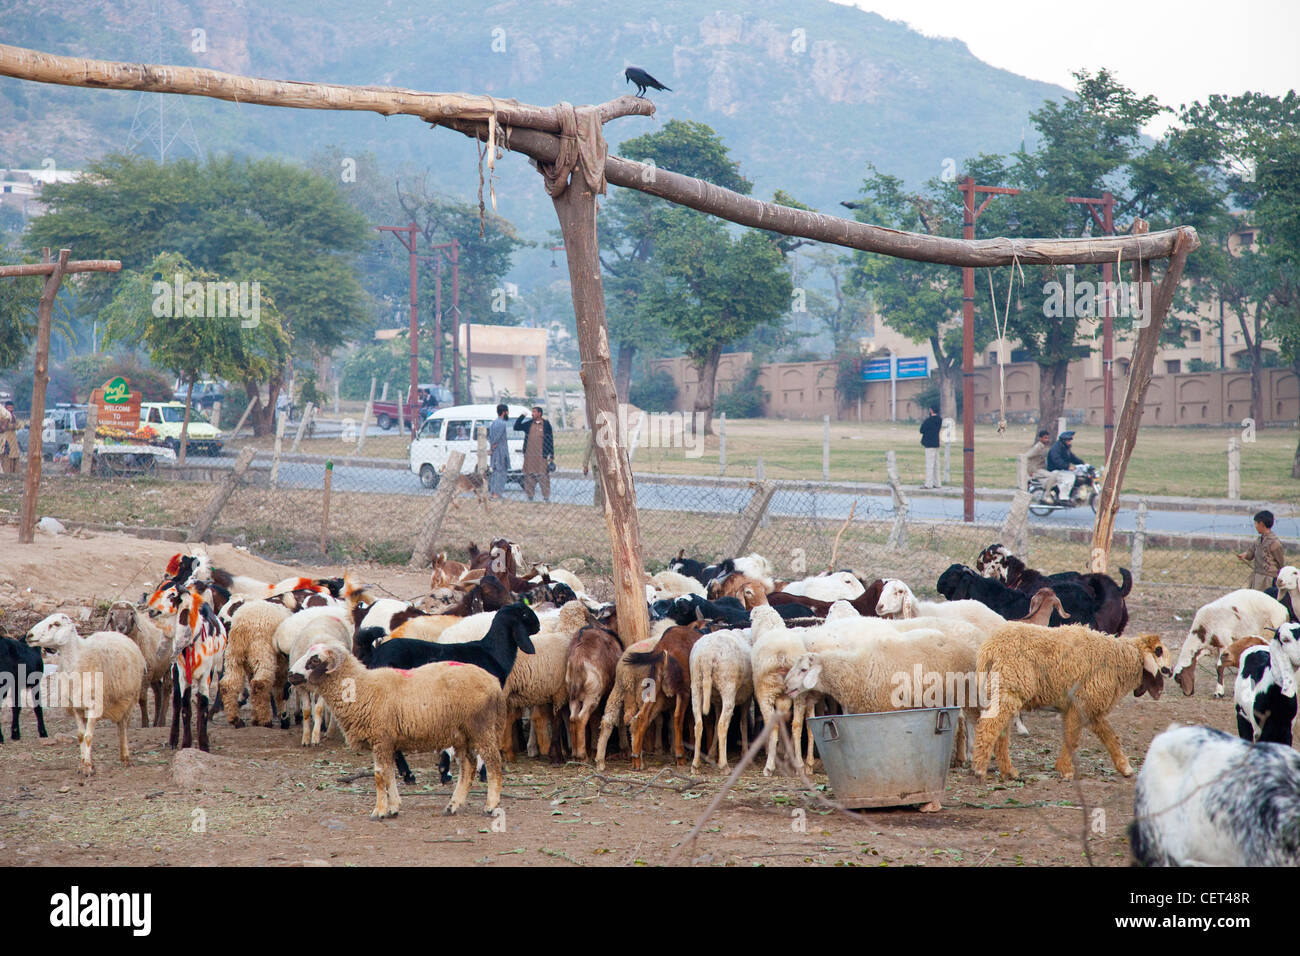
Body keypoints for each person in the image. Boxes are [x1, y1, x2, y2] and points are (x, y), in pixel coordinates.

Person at [1237, 509, 1286, 591]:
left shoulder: (1274, 543)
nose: (1255, 526)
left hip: (1268, 580)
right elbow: (1251, 552)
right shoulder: (1259, 540)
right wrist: (1245, 555)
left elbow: (1280, 562)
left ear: (1261, 524)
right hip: (1257, 577)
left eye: (1256, 524)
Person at [514, 406, 554, 502]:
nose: (532, 414)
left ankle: (546, 497)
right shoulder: (528, 424)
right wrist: (522, 416)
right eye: (532, 412)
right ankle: (530, 497)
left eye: (534, 412)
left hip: (541, 458)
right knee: (529, 477)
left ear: (539, 413)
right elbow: (516, 427)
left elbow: (550, 441)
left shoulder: (546, 424)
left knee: (543, 477)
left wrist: (551, 455)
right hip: (529, 457)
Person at [1045, 429, 1086, 503]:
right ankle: (1063, 498)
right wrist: (1067, 467)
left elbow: (1072, 458)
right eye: (1068, 440)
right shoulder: (1056, 448)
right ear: (1064, 440)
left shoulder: (1065, 448)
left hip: (1062, 469)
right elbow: (1057, 460)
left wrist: (1082, 463)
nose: (1069, 442)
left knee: (1078, 475)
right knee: (1070, 477)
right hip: (1055, 470)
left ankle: (1075, 495)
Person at [487, 404, 510, 500]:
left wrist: (492, 447)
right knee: (500, 473)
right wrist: (493, 445)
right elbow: (497, 438)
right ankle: (496, 494)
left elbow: (489, 436)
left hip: (495, 451)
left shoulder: (493, 423)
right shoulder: (502, 423)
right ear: (504, 412)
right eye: (507, 411)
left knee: (495, 472)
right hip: (500, 451)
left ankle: (493, 493)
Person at [919, 406, 941, 488]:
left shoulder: (928, 420)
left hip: (929, 444)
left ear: (931, 410)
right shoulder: (939, 420)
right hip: (936, 443)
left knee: (929, 464)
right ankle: (937, 483)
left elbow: (921, 430)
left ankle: (928, 484)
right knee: (936, 464)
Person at [0, 400, 18, 474]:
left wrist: (4, 427)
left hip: (8, 438)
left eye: (11, 407)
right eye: (9, 407)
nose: (11, 409)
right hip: (6, 436)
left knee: (8, 455)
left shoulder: (10, 415)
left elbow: (18, 425)